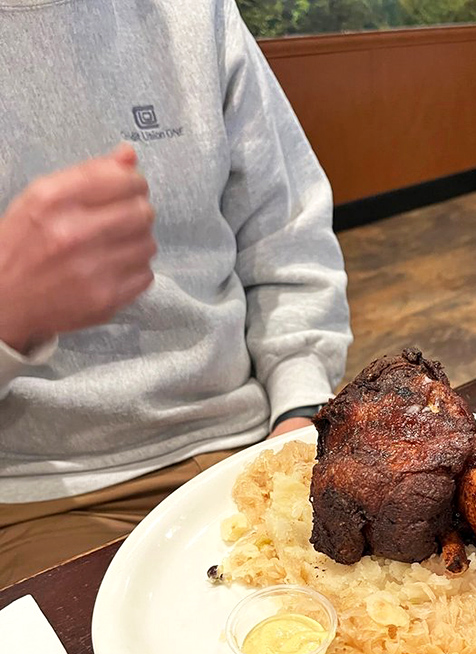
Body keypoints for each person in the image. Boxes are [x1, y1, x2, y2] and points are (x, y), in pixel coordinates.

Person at [0, 0, 352, 588]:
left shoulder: (197, 14)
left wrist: (298, 404)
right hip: (47, 493)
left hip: (248, 437)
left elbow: (285, 235)